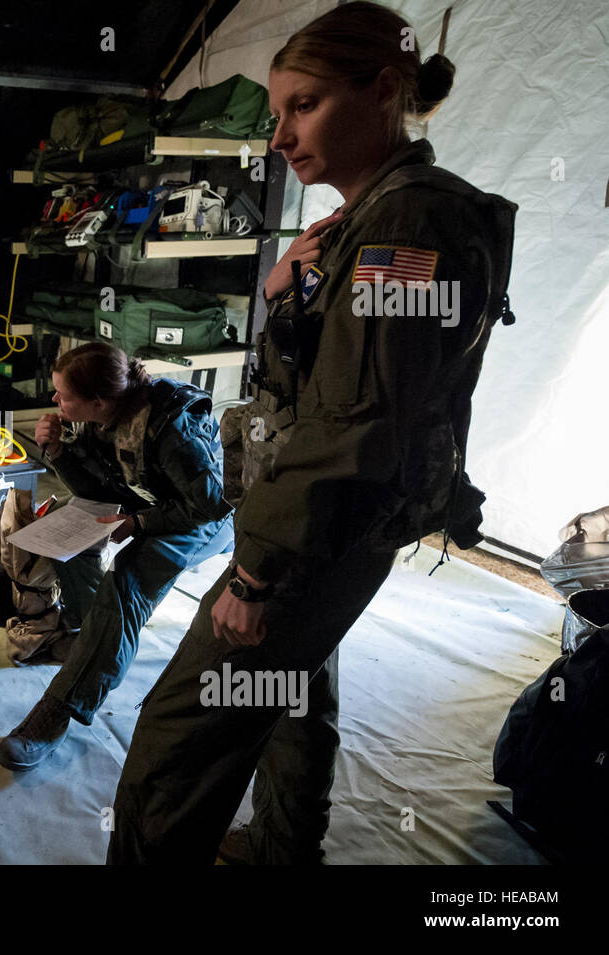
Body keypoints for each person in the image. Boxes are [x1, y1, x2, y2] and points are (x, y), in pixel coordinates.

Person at [108, 0, 517, 863]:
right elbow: (340, 372)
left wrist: (255, 573)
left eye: (305, 106)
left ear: (382, 91)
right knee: (293, 686)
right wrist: (281, 296)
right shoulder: (369, 220)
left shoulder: (406, 224)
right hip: (317, 524)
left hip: (312, 534)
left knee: (177, 742)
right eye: (277, 111)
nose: (281, 137)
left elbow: (355, 422)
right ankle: (286, 844)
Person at [0, 343, 234, 771]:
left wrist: (140, 525)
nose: (54, 401)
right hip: (154, 501)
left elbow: (209, 507)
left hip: (201, 519)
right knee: (73, 539)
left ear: (98, 401)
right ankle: (93, 636)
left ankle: (57, 712)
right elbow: (97, 491)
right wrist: (58, 453)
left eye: (63, 395)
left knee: (126, 579)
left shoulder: (172, 429)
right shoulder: (102, 416)